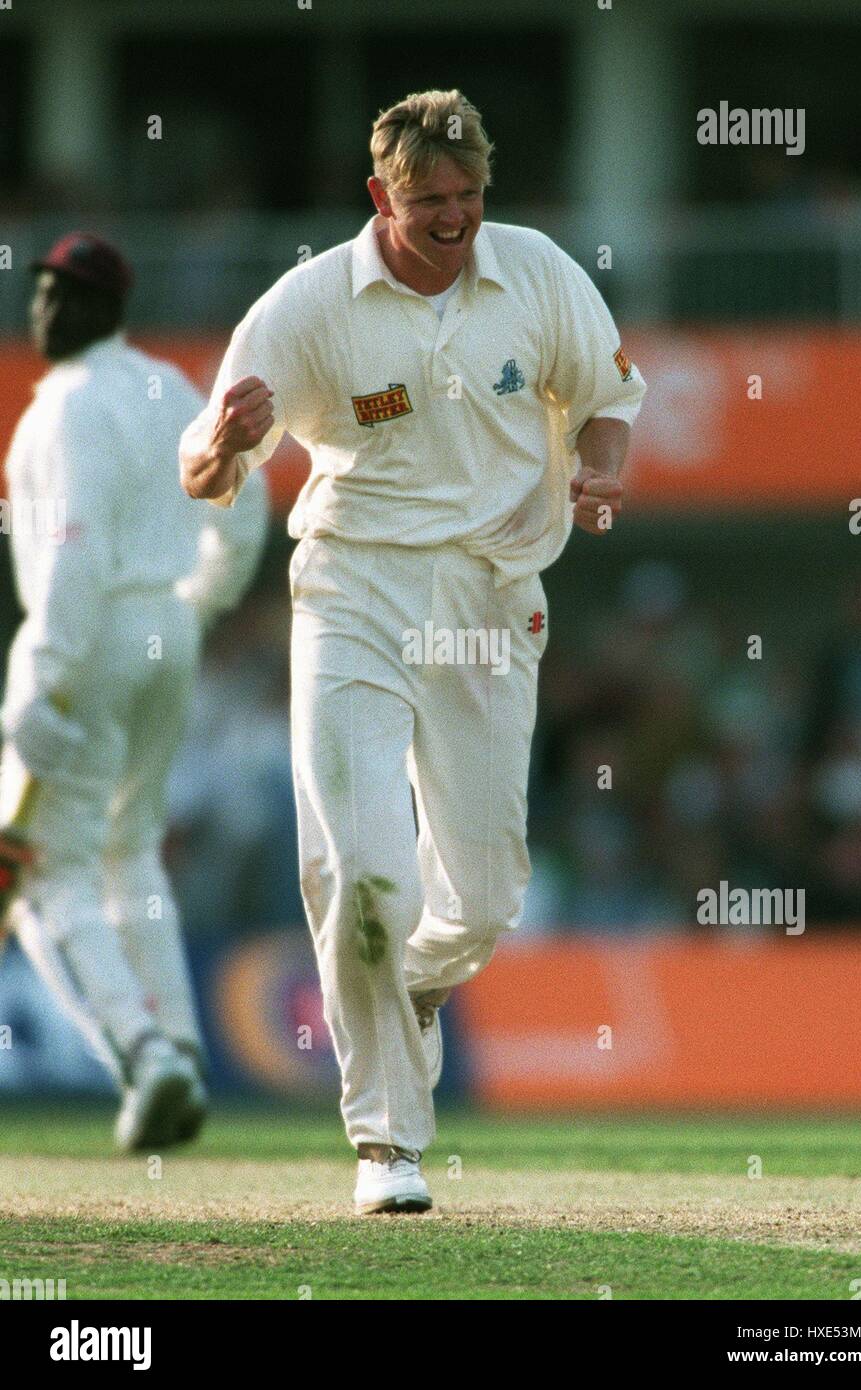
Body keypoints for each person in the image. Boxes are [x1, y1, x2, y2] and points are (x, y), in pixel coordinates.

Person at [180, 90, 646, 1213]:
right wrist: (227, 442)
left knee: (484, 897)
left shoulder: (533, 271)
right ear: (380, 196)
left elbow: (608, 397)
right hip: (356, 587)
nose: (454, 218)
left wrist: (604, 467)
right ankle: (387, 1143)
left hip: (491, 593)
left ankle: (417, 986)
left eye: (470, 196)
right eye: (430, 199)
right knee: (362, 867)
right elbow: (204, 470)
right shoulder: (309, 307)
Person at [0, 232, 268, 1150]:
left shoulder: (63, 407)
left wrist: (37, 685)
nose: (44, 308)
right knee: (131, 851)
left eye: (62, 294)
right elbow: (246, 490)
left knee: (42, 877)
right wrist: (204, 597)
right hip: (167, 632)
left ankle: (145, 1057)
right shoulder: (165, 388)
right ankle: (185, 1052)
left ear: (100, 306)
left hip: (93, 640)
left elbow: (72, 552)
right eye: (40, 290)